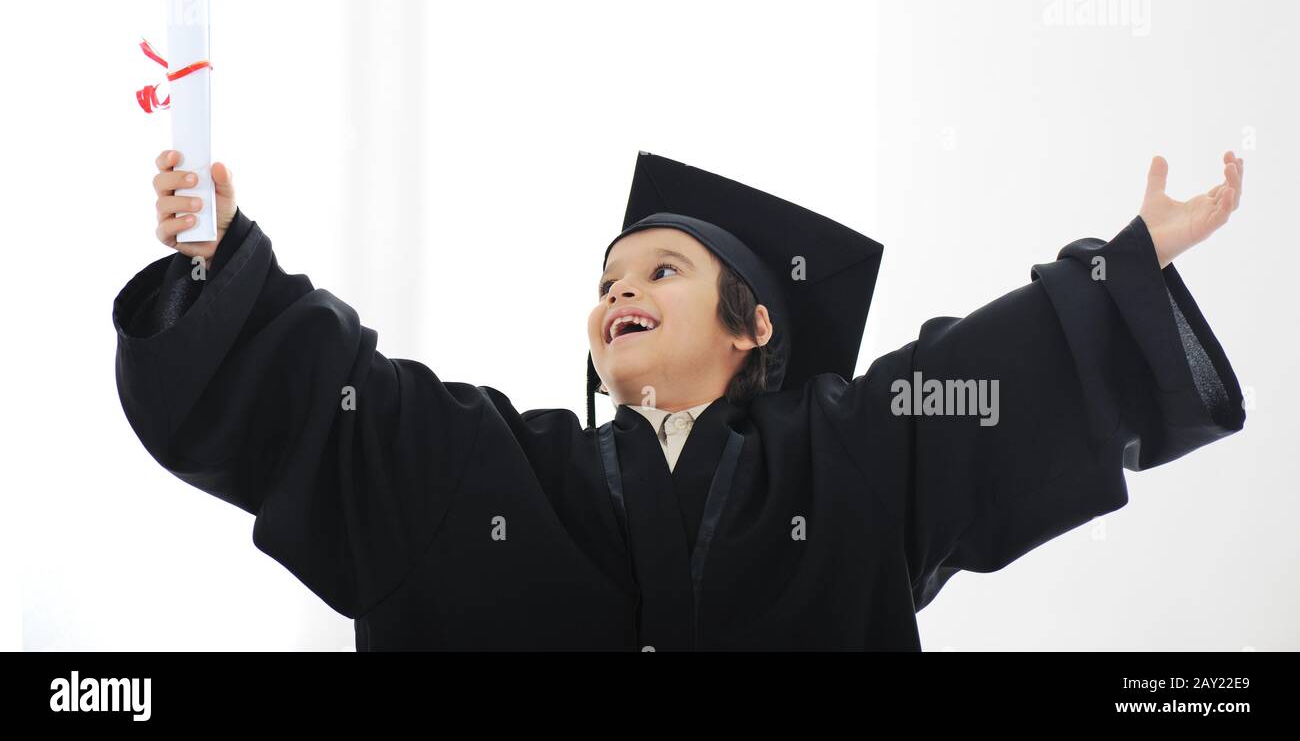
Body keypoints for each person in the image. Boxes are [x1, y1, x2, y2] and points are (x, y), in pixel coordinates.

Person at [113, 148, 1246, 650]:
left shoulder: (843, 463)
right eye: (607, 281)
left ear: (753, 325)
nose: (621, 292)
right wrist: (223, 271)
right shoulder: (480, 468)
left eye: (662, 270)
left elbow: (985, 387)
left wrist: (1126, 268)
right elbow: (329, 403)